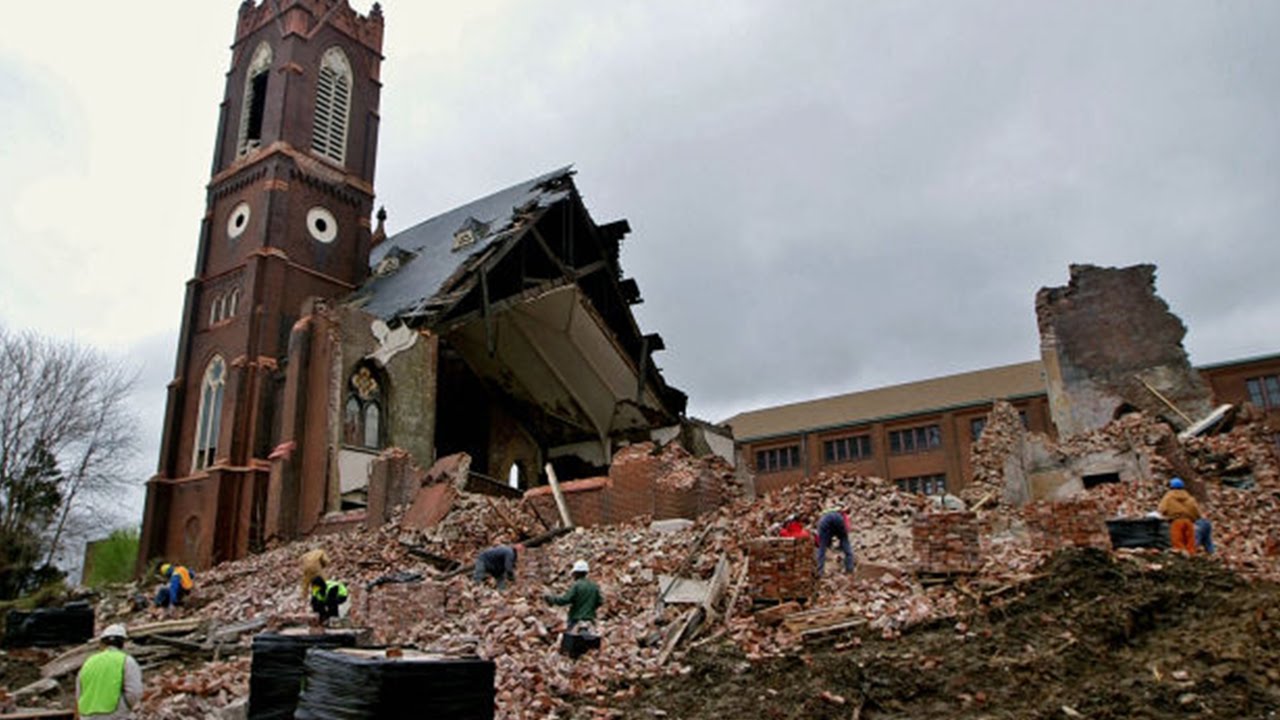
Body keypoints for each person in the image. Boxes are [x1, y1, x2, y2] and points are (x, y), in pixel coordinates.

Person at [75, 623, 142, 719]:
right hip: (114, 714)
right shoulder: (126, 661)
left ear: (102, 643)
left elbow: (79, 692)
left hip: (87, 715)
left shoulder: (88, 662)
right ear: (123, 643)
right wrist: (126, 707)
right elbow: (134, 692)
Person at [544, 560, 603, 632]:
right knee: (590, 640)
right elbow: (600, 601)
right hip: (590, 620)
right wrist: (589, 608)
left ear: (576, 573)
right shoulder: (594, 586)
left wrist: (551, 599)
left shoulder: (577, 585)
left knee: (571, 640)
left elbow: (565, 600)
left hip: (576, 620)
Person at [1158, 477, 1201, 554]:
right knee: (1190, 543)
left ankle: (1182, 560)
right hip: (1189, 522)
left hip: (1176, 522)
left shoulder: (1168, 496)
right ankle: (1192, 558)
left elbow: (1162, 509)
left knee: (1178, 542)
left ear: (1171, 487)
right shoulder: (1189, 497)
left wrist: (1164, 516)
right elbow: (1196, 511)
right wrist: (1195, 519)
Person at [815, 507, 854, 575]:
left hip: (825, 521)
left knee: (822, 549)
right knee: (845, 543)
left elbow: (822, 541)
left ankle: (819, 572)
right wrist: (843, 542)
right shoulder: (842, 514)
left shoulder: (824, 515)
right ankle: (849, 569)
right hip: (837, 519)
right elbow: (847, 529)